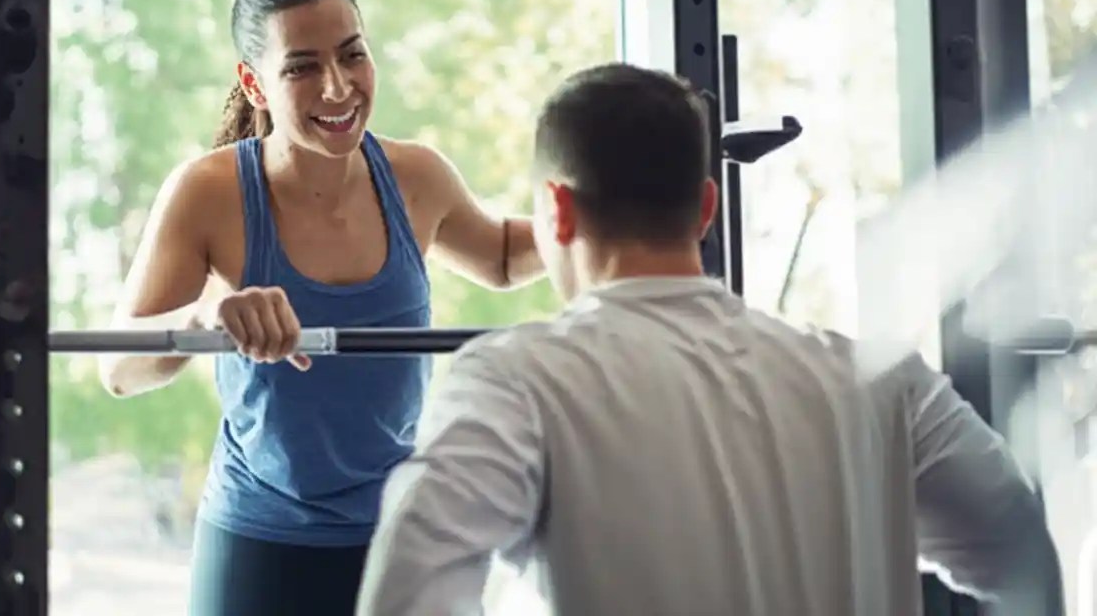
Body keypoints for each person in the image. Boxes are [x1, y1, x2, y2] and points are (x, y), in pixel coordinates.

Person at [355, 63, 1064, 616]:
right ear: (705, 207)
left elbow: (409, 593)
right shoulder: (880, 378)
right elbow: (1023, 557)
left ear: (557, 210)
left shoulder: (518, 381)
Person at [99, 0, 543, 615]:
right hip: (258, 542)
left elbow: (503, 257)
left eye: (352, 55)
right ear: (254, 83)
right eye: (302, 67)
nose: (337, 88)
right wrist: (201, 323)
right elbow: (117, 369)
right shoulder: (208, 193)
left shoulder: (416, 175)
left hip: (398, 534)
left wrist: (601, 211)